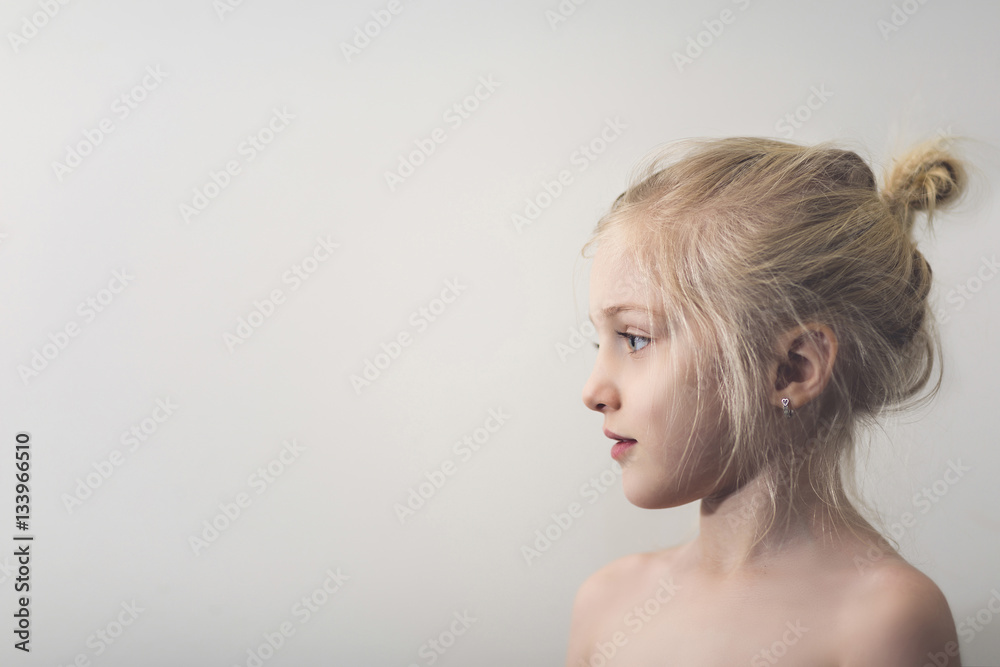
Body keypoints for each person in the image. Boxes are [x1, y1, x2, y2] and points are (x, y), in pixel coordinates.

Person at [566, 135, 968, 666]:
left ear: (792, 369)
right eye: (602, 342)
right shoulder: (606, 603)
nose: (592, 392)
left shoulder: (884, 621)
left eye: (636, 339)